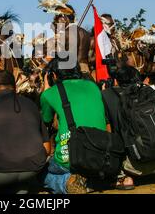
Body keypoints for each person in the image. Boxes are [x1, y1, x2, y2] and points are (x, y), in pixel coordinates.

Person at [102, 66, 155, 188]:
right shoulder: (150, 92)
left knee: (108, 135)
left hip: (134, 167)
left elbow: (108, 132)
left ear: (116, 81)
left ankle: (123, 178)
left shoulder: (107, 95)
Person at [40, 57, 107, 194]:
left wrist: (46, 89)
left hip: (69, 159)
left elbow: (45, 121)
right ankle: (88, 182)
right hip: (100, 155)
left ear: (52, 75)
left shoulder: (49, 94)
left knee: (42, 173)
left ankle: (65, 183)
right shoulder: (93, 86)